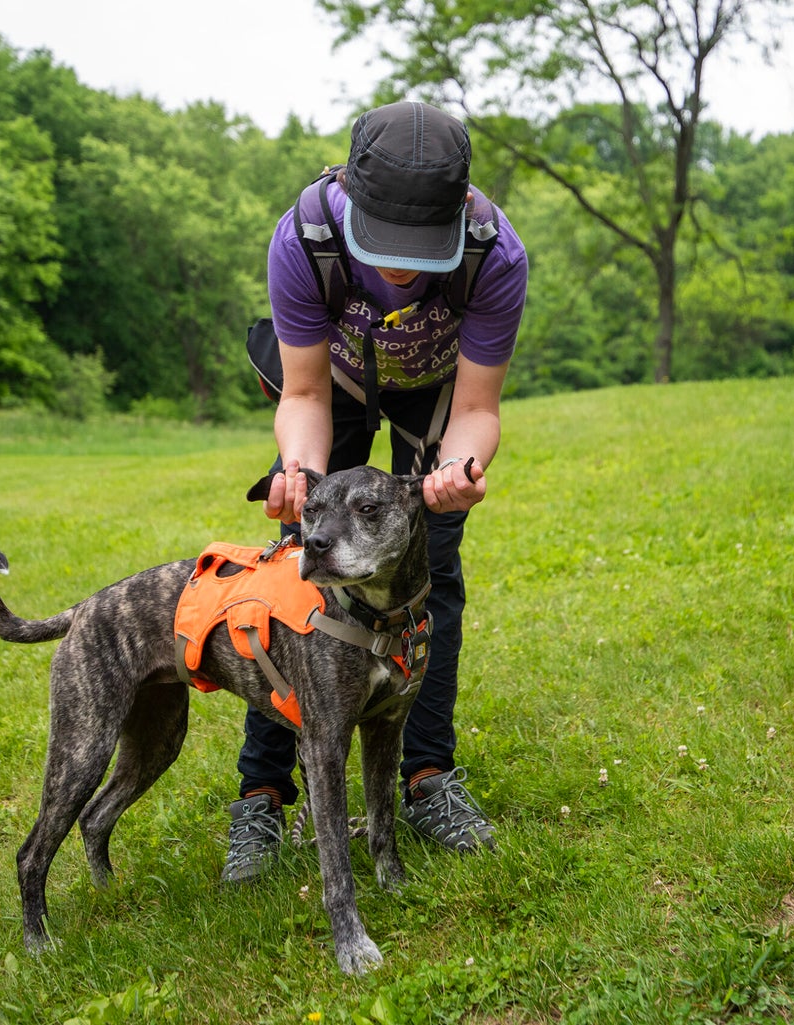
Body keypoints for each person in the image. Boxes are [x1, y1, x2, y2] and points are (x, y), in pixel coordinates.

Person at [223, 100, 529, 882]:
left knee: (430, 575)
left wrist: (458, 471)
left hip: (434, 388)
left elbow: (477, 407)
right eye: (384, 243)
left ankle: (426, 778)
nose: (398, 268)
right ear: (351, 199)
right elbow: (303, 392)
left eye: (418, 249)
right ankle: (263, 792)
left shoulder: (495, 255)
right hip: (336, 384)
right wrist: (299, 471)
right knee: (303, 567)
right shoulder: (305, 238)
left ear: (461, 210)